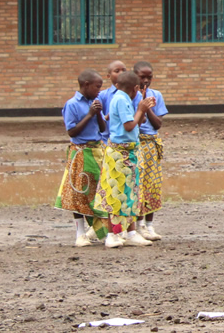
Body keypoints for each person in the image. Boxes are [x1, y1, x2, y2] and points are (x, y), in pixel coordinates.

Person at [94, 71, 155, 248]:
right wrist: (141, 109)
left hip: (129, 151)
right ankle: (112, 234)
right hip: (119, 153)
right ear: (135, 88)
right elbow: (129, 126)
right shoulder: (120, 99)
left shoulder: (124, 98)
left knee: (130, 191)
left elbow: (137, 122)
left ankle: (130, 232)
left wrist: (143, 108)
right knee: (115, 192)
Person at [54, 69, 108, 247]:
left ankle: (99, 229)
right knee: (79, 192)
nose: (99, 90)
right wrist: (90, 114)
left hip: (97, 150)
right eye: (97, 87)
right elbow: (72, 131)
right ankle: (80, 234)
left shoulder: (95, 102)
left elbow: (102, 129)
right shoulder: (72, 104)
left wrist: (98, 113)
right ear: (86, 85)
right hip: (80, 151)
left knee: (98, 191)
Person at [132, 61, 168, 241]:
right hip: (136, 143)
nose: (146, 80)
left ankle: (150, 225)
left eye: (149, 77)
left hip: (151, 144)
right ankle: (138, 225)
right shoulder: (128, 96)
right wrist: (140, 104)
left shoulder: (156, 95)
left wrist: (148, 107)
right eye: (142, 77)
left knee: (152, 184)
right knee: (138, 184)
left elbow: (158, 124)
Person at [96, 60, 127, 142]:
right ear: (108, 76)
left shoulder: (134, 94)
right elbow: (99, 118)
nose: (121, 73)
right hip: (107, 140)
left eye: (124, 70)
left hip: (128, 140)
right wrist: (107, 117)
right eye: (117, 71)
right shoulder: (102, 95)